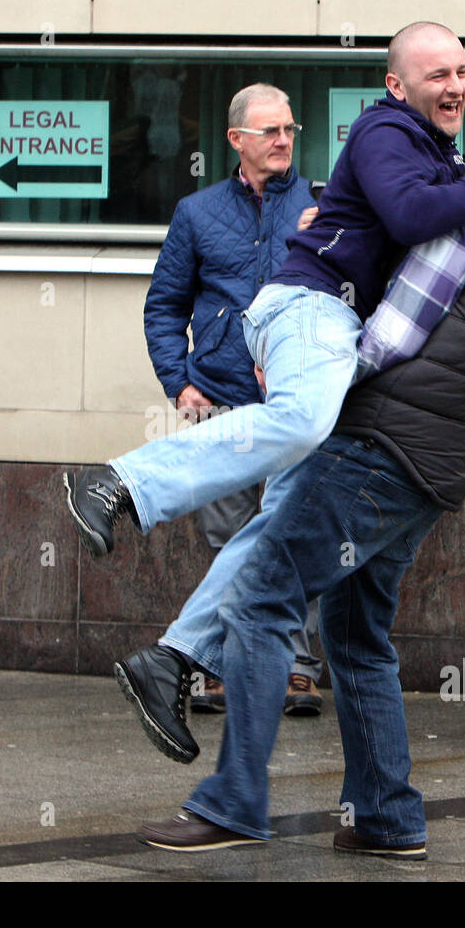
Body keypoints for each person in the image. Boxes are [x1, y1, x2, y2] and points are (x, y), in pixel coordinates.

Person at [96, 21, 465, 764]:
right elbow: (398, 240)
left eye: (463, 71)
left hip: (331, 371)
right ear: (397, 85)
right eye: (439, 74)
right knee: (294, 451)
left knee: (272, 531)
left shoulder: (440, 174)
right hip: (311, 345)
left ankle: (171, 661)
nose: (456, 84)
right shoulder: (396, 141)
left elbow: (378, 238)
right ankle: (127, 482)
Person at [136, 116, 465, 853]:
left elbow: (390, 337)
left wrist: (304, 372)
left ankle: (233, 802)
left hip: (372, 455)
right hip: (428, 474)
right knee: (355, 635)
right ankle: (387, 817)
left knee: (259, 601)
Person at [143, 82, 325, 717]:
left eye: (289, 130)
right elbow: (163, 307)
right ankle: (219, 666)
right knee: (228, 541)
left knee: (293, 537)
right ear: (236, 140)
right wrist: (179, 382)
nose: (282, 141)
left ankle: (297, 669)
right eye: (270, 131)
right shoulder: (197, 213)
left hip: (296, 408)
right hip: (220, 402)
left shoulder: (320, 206)